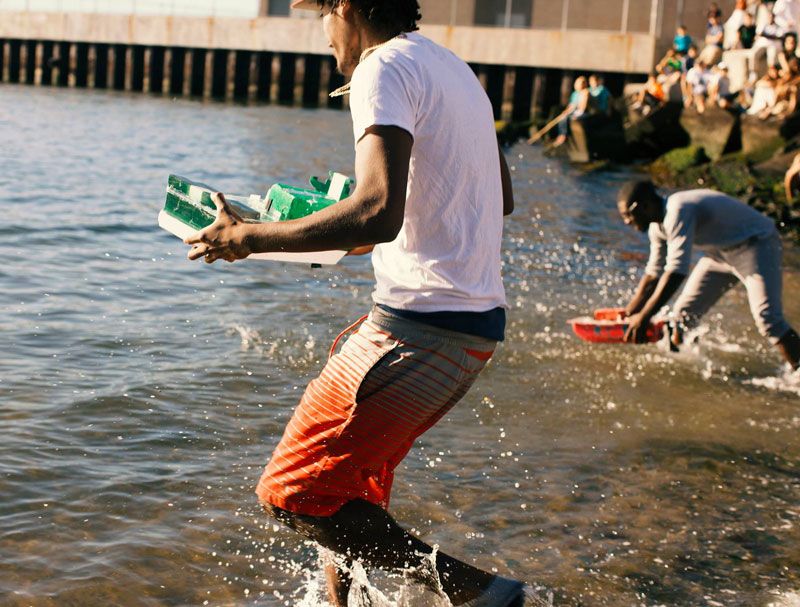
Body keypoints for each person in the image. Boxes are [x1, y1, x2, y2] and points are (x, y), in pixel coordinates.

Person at [184, 1, 526, 606]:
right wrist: (322, 229)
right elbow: (493, 197)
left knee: (288, 492)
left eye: (321, 14)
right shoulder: (453, 69)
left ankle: (477, 594)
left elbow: (377, 209)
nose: (324, 34)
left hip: (416, 327)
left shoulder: (380, 67)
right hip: (470, 329)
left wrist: (248, 237)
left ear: (344, 6)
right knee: (346, 491)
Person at [616, 180, 799, 370]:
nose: (627, 222)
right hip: (720, 254)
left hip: (756, 244)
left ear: (644, 206)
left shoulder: (678, 210)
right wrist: (630, 312)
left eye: (628, 215)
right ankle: (688, 370)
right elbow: (654, 274)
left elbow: (677, 271)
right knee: (681, 319)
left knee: (768, 319)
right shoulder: (657, 228)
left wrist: (644, 317)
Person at [552, 76, 590, 147]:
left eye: (580, 84)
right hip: (574, 111)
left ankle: (564, 136)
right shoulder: (575, 94)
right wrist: (566, 111)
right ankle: (561, 134)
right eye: (577, 84)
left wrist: (574, 109)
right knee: (563, 116)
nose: (578, 85)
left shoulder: (585, 92)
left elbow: (583, 107)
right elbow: (570, 105)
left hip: (581, 112)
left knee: (568, 118)